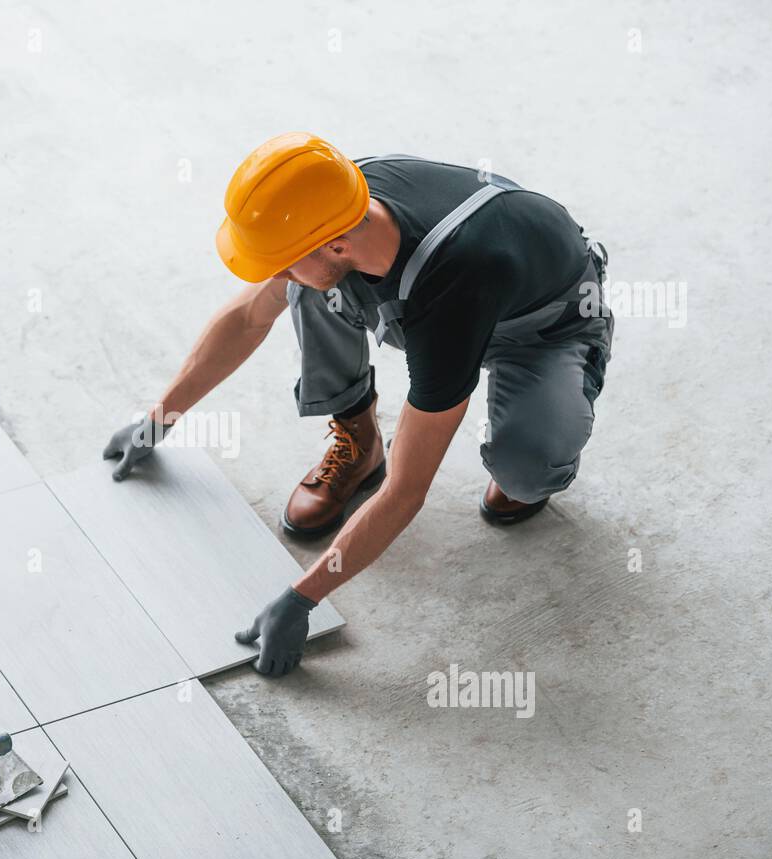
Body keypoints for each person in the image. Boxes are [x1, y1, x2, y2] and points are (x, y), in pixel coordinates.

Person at [103, 132, 614, 676]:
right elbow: (249, 317)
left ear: (338, 246)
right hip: (446, 292)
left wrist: (303, 597)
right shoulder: (337, 200)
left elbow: (407, 491)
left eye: (281, 262)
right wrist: (159, 418)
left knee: (527, 470)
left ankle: (535, 447)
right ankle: (360, 442)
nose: (273, 274)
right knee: (309, 288)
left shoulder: (451, 292)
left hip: (541, 326)